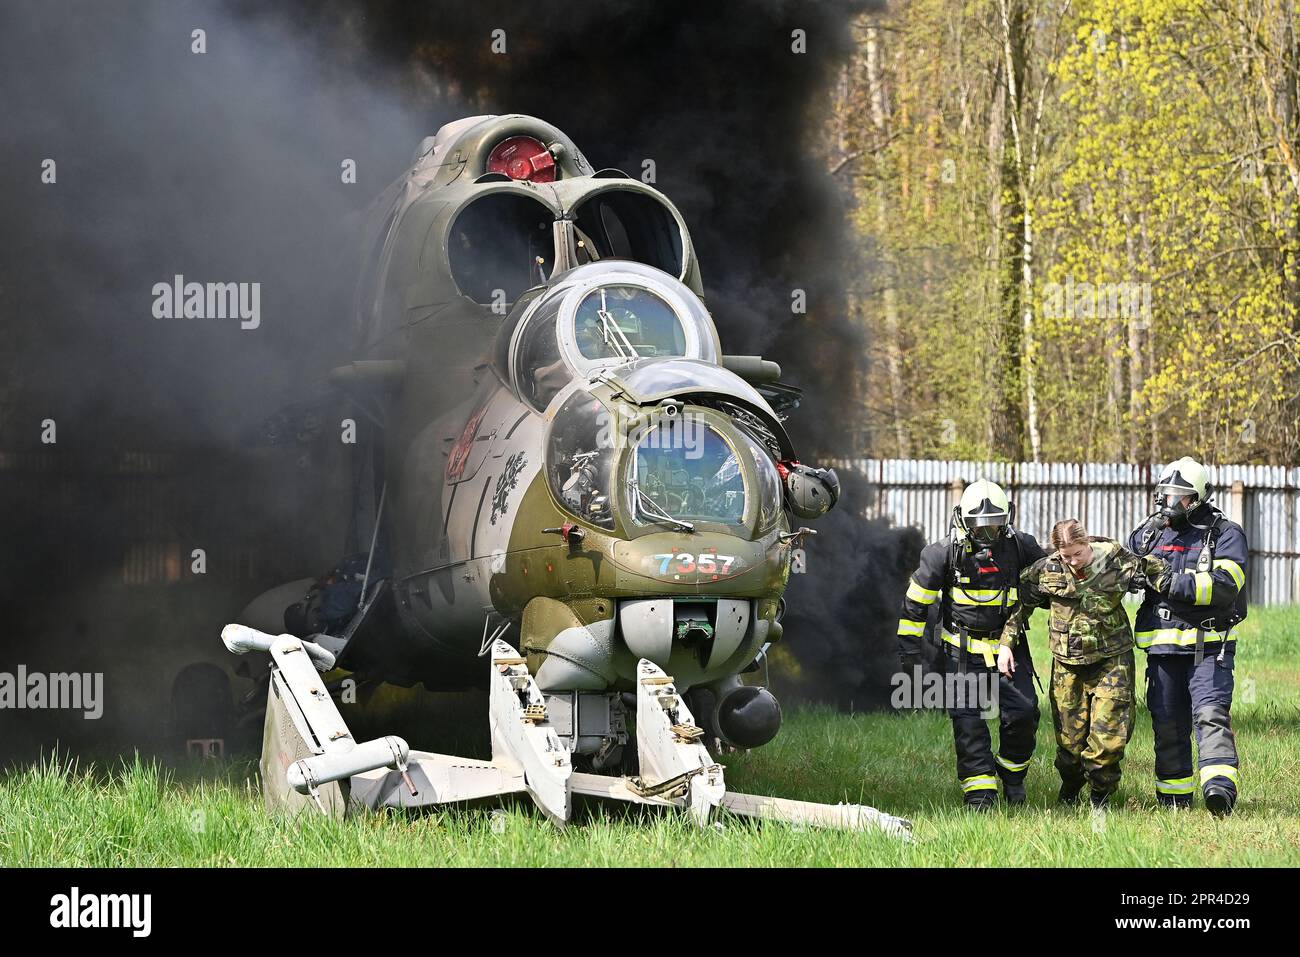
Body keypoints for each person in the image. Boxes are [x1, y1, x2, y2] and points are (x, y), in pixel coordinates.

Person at [1000, 519, 1172, 808]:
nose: (1073, 561)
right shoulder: (1047, 570)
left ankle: (1099, 799)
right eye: (1066, 556)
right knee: (1069, 747)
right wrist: (1006, 644)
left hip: (1111, 662)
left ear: (1087, 543)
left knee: (1108, 742)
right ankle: (1070, 789)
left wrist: (1164, 590)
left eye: (1078, 554)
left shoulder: (1117, 560)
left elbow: (1158, 571)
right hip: (1067, 667)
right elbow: (1021, 605)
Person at [897, 479, 1046, 810]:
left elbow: (1049, 584)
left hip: (1009, 651)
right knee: (968, 723)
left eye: (995, 527)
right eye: (979, 528)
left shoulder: (1021, 546)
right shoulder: (941, 554)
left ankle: (1012, 776)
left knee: (1023, 713)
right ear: (963, 520)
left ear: (1007, 520)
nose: (987, 536)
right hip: (961, 654)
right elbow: (914, 607)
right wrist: (910, 654)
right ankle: (980, 793)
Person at [1126, 457, 1249, 815]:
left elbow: (1227, 584)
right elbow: (1127, 565)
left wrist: (1172, 583)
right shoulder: (1151, 532)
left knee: (1211, 716)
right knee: (1167, 724)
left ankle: (1219, 791)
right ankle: (1174, 802)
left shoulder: (1224, 532)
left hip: (1208, 649)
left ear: (1196, 498)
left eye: (1178, 496)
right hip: (1162, 649)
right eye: (1164, 494)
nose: (1168, 503)